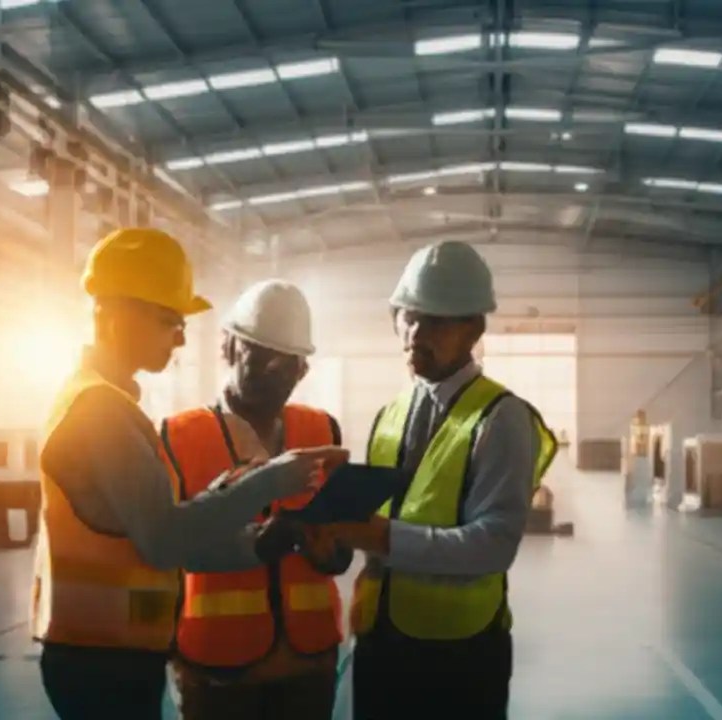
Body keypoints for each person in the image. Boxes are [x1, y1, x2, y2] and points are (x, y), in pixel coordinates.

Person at [31, 229, 347, 720]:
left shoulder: (104, 403)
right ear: (117, 317)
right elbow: (164, 539)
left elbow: (154, 531)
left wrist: (261, 541)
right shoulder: (99, 411)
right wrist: (270, 482)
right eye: (168, 320)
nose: (180, 337)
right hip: (103, 659)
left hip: (107, 653)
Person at [324, 240, 558, 720]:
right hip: (380, 639)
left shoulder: (500, 417)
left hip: (460, 654)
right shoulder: (391, 414)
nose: (414, 333)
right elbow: (381, 521)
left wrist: (379, 535)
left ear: (473, 328)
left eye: (434, 321)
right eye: (407, 317)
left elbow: (493, 544)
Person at [161, 279, 351, 719]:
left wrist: (334, 552)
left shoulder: (324, 430)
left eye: (289, 364)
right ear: (227, 347)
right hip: (217, 670)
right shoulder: (178, 436)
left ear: (303, 371)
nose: (273, 371)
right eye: (259, 355)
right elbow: (167, 545)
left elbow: (344, 535)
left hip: (309, 663)